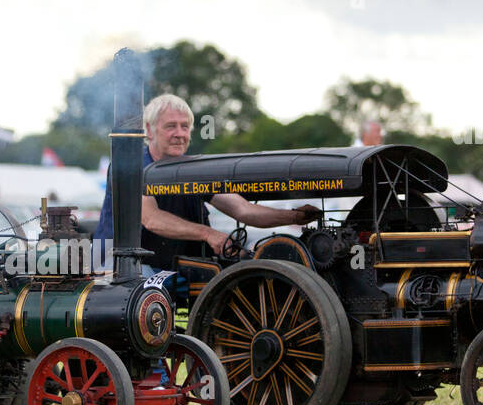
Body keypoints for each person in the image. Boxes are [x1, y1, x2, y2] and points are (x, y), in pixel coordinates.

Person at [93, 94, 320, 273]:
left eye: (185, 126)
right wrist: (208, 234)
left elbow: (243, 210)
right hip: (122, 268)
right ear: (150, 131)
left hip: (174, 267)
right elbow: (152, 219)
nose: (180, 134)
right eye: (170, 126)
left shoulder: (193, 171)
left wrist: (294, 217)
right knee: (149, 284)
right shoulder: (130, 167)